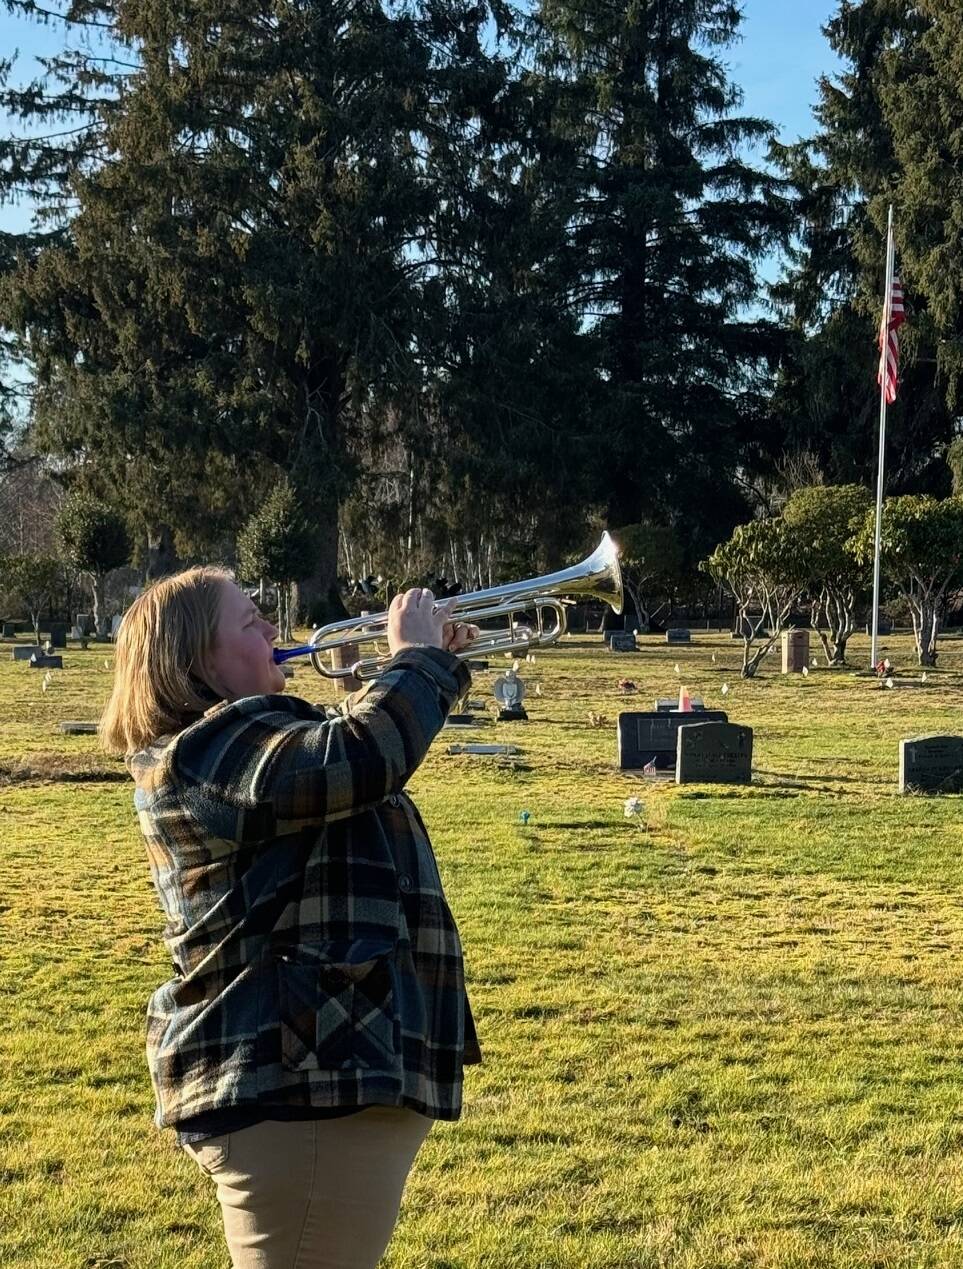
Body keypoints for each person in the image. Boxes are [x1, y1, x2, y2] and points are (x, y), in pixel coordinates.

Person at [99, 568, 482, 1269]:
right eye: (249, 622)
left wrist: (420, 671)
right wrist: (415, 662)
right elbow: (360, 758)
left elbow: (343, 762)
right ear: (195, 660)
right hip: (297, 1082)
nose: (274, 631)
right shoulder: (206, 752)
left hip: (314, 1078)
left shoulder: (240, 745)